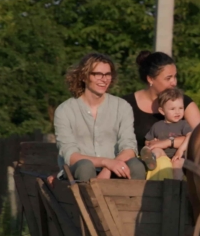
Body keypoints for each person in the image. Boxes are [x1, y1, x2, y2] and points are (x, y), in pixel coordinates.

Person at [54, 53, 144, 182]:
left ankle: (133, 201)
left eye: (107, 74)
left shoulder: (122, 107)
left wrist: (108, 167)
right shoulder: (64, 110)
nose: (104, 79)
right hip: (79, 172)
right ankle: (88, 201)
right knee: (85, 166)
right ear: (84, 76)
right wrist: (105, 162)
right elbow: (71, 155)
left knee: (136, 165)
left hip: (114, 169)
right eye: (98, 74)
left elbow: (129, 148)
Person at [122, 50, 200, 174]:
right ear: (150, 79)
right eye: (168, 78)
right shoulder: (126, 104)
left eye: (175, 76)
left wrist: (167, 142)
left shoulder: (183, 102)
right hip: (138, 172)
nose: (174, 82)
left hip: (179, 168)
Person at [139, 88, 193, 180]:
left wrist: (180, 150)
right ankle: (150, 159)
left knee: (177, 164)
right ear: (162, 111)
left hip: (179, 156)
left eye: (181, 108)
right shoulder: (157, 126)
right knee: (156, 151)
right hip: (164, 154)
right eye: (172, 109)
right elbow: (148, 140)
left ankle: (176, 185)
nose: (177, 112)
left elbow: (190, 136)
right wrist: (150, 143)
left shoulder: (183, 124)